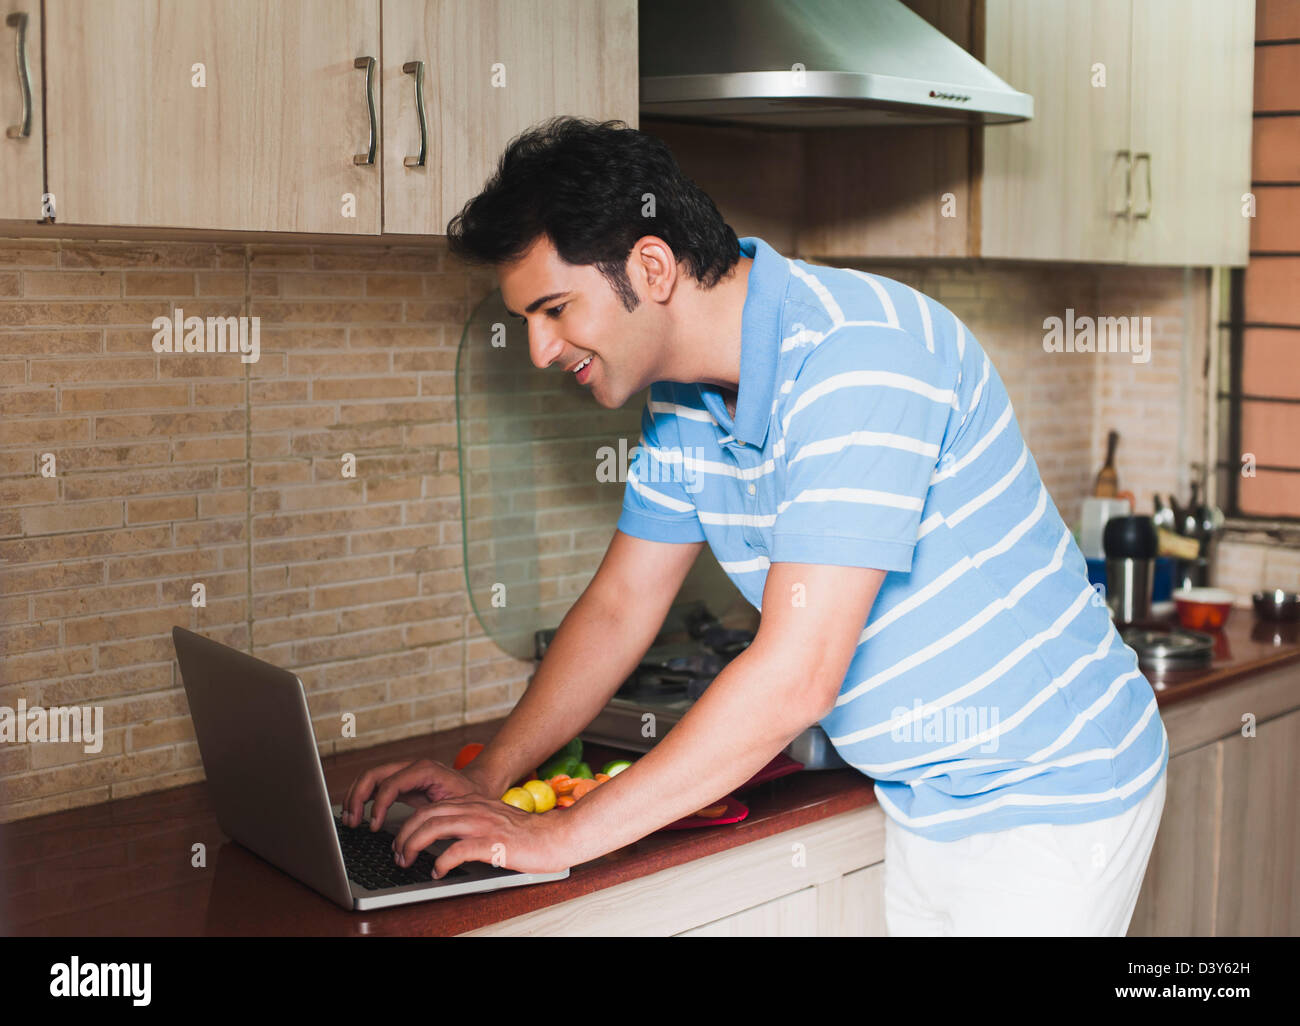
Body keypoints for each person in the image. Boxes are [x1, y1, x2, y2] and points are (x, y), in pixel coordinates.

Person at [341, 116, 1168, 935]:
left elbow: (797, 676)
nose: (539, 349)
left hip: (1049, 789)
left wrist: (557, 835)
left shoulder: (860, 357)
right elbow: (622, 605)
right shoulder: (682, 401)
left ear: (652, 266)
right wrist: (490, 775)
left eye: (554, 309)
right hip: (925, 794)